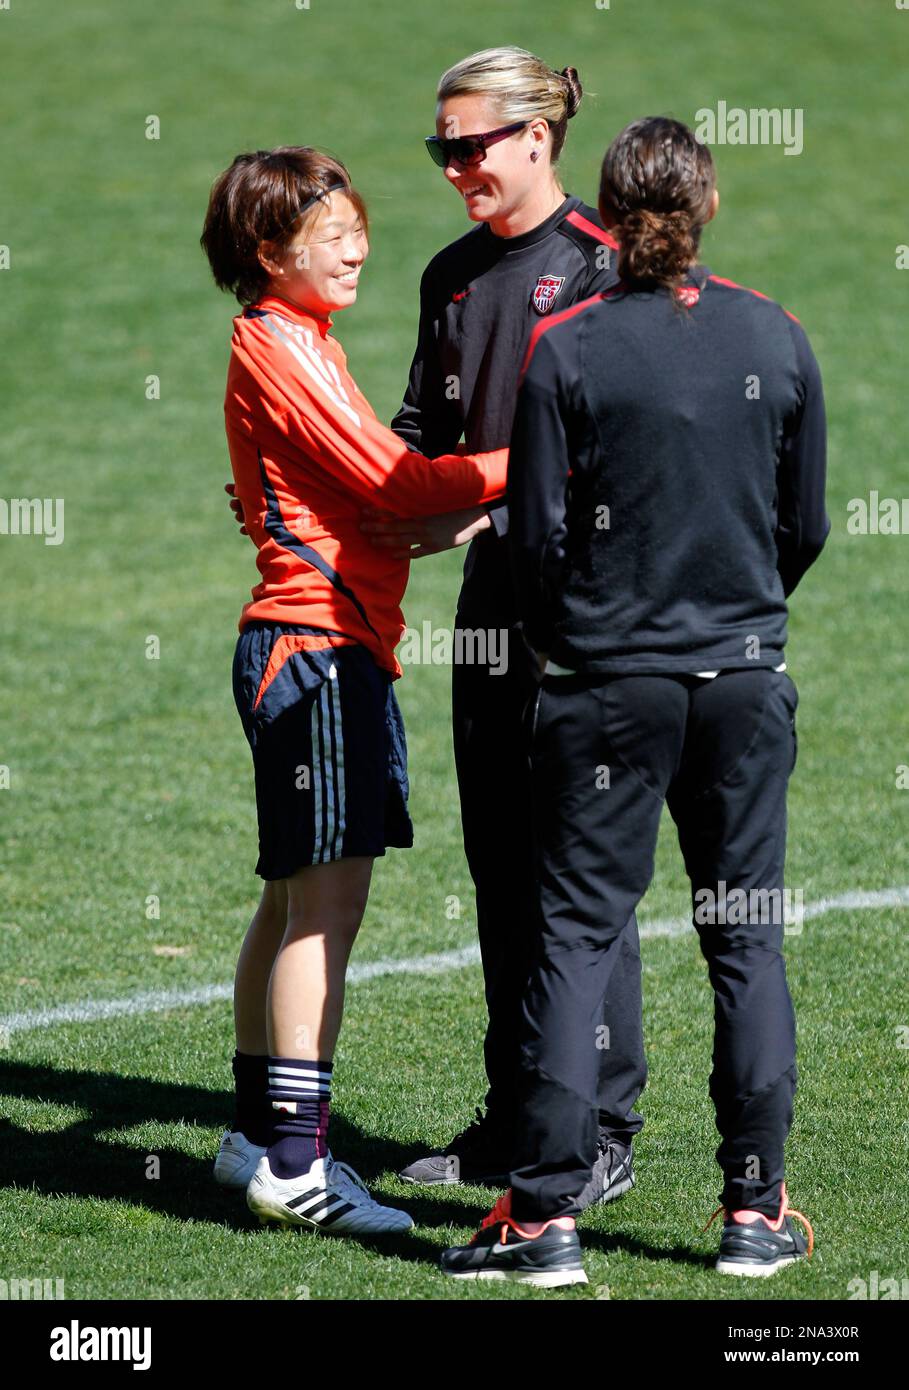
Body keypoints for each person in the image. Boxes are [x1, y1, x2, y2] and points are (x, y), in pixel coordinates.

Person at [442, 116, 828, 1285]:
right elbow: (802, 527)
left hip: (605, 694)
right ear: (705, 206)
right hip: (746, 686)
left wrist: (588, 642)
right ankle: (753, 1212)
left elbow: (539, 545)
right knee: (746, 936)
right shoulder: (779, 333)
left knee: (573, 937)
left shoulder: (568, 349)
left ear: (609, 217)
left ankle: (544, 1217)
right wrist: (739, 620)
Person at [200, 146, 509, 1236]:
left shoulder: (301, 341)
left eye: (356, 223)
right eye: (329, 231)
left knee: (293, 896)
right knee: (324, 909)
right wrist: (534, 455)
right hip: (315, 653)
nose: (357, 244)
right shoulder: (284, 347)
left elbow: (380, 514)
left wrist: (446, 518)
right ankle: (295, 1161)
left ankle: (254, 1134)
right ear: (267, 250)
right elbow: (394, 481)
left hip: (321, 644)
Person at [364, 46, 646, 1202]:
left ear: (539, 136)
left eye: (471, 146)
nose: (454, 168)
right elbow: (421, 436)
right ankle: (518, 1112)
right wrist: (344, 498)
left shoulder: (604, 269)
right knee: (499, 869)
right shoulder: (450, 277)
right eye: (442, 150)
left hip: (591, 622)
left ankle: (603, 1127)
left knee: (579, 877)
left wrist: (480, 504)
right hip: (490, 620)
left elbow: (616, 452)